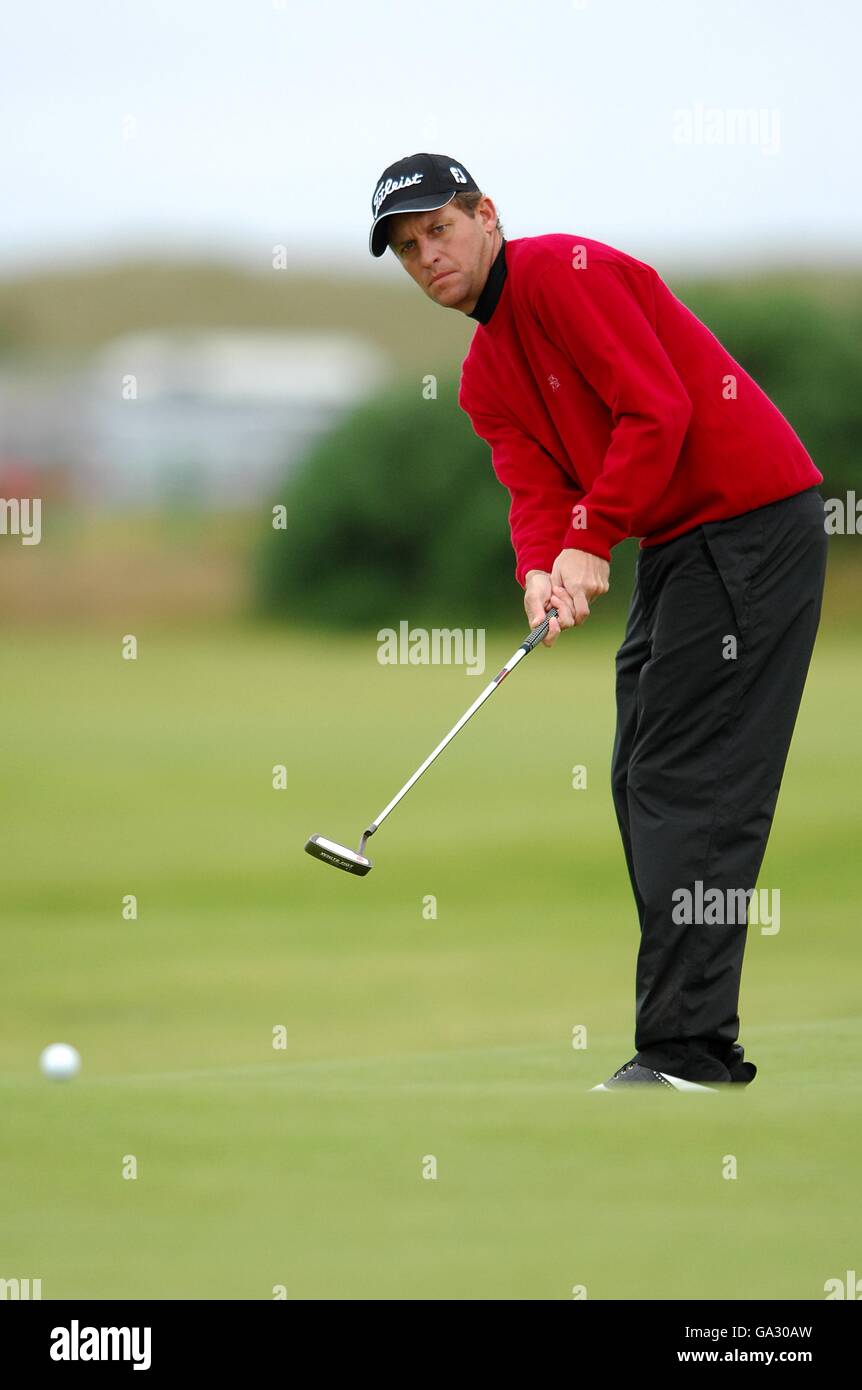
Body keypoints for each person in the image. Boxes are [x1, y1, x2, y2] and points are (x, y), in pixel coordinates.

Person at [368, 152, 828, 1091]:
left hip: (748, 524)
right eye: (408, 248)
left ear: (486, 213)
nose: (427, 257)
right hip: (684, 544)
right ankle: (691, 1038)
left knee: (685, 777)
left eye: (439, 230)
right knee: (637, 775)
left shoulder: (561, 273)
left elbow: (654, 409)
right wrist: (542, 565)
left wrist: (594, 533)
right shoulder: (483, 372)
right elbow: (534, 484)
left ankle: (688, 1050)